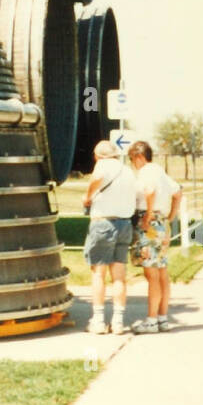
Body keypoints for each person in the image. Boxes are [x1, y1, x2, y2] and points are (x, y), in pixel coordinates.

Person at [82, 139, 138, 335]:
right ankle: (118, 321)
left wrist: (88, 196)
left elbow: (97, 178)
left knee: (98, 273)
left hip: (103, 223)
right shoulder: (128, 171)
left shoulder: (102, 166)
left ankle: (98, 320)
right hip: (124, 223)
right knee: (119, 276)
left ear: (98, 156)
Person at [128, 141, 182, 333]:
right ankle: (162, 318)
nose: (133, 164)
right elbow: (178, 193)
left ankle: (151, 320)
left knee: (151, 274)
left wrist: (148, 215)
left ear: (138, 157)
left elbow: (149, 192)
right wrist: (171, 216)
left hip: (149, 223)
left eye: (132, 160)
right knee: (161, 272)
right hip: (162, 223)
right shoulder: (159, 170)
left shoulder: (145, 172)